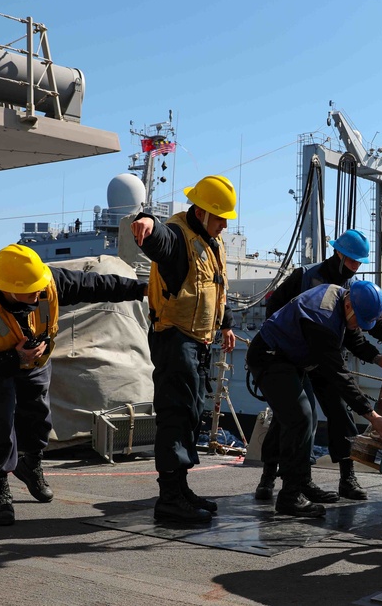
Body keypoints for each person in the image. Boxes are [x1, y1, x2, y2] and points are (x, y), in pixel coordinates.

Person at [0, 244, 147, 526]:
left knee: (39, 415)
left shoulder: (46, 283)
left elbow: (94, 285)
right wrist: (12, 358)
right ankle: (0, 491)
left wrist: (142, 290)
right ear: (6, 288)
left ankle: (31, 464)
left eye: (40, 288)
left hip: (36, 363)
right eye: (30, 291)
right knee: (1, 419)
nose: (39, 294)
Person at [256, 229, 382, 503]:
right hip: (294, 358)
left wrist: (381, 344)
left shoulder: (353, 288)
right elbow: (274, 307)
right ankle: (269, 477)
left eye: (359, 263)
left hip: (324, 360)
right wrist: (289, 342)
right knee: (294, 417)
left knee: (339, 413)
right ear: (338, 254)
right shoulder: (304, 276)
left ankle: (346, 478)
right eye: (352, 261)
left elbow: (362, 323)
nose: (356, 267)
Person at [130, 175, 238, 524]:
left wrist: (227, 324)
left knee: (192, 415)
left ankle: (181, 488)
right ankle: (170, 498)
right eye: (220, 216)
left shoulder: (211, 241)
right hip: (175, 339)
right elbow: (159, 240)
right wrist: (146, 219)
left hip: (198, 343)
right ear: (202, 212)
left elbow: (216, 286)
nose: (224, 224)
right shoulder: (178, 236)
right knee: (176, 416)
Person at [246, 280, 382, 517]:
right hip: (270, 357)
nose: (360, 326)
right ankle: (290, 496)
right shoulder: (321, 319)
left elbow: (352, 333)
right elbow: (338, 375)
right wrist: (372, 415)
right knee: (299, 418)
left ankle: (302, 484)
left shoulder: (341, 296)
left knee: (309, 418)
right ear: (349, 306)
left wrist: (376, 357)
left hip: (291, 359)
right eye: (360, 319)